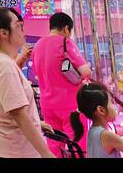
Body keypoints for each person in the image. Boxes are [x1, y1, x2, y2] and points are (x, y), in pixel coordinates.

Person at [0, 6, 55, 158]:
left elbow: (7, 111)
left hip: (7, 148)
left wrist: (36, 123)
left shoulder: (0, 61)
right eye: (18, 26)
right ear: (3, 33)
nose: (23, 30)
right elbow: (19, 116)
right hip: (11, 150)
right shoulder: (4, 66)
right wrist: (47, 154)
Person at [31, 11, 94, 156]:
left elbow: (36, 74)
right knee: (77, 143)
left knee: (54, 144)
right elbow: (85, 72)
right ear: (66, 29)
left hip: (47, 105)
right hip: (70, 105)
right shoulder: (65, 42)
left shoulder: (37, 46)